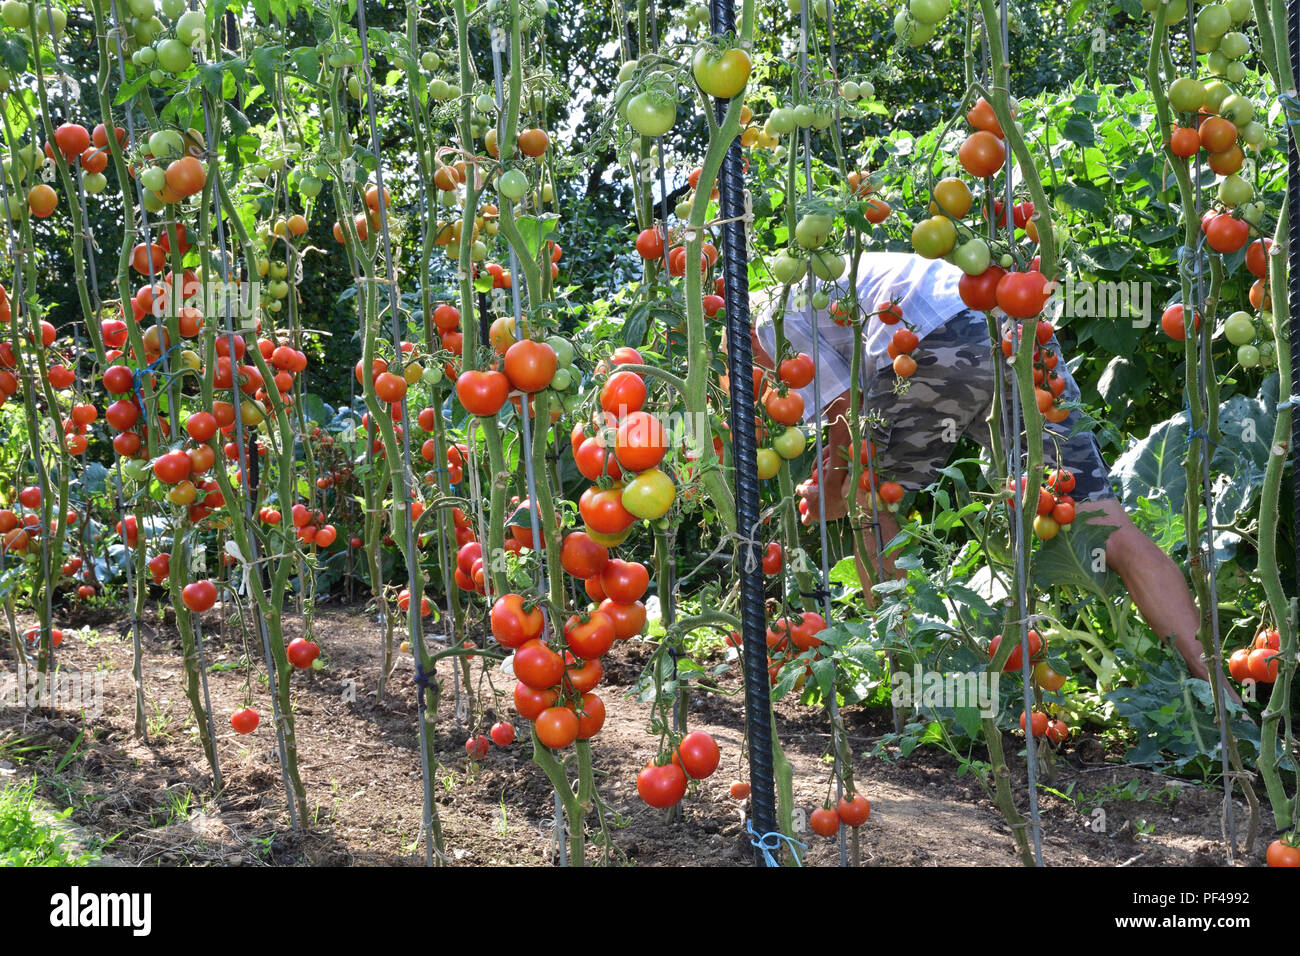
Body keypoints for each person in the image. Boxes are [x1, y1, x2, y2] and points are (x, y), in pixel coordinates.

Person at [748, 250, 1224, 690]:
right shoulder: (815, 278)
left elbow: (845, 415)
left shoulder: (759, 322)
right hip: (1010, 319)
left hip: (932, 337)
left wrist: (834, 491)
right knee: (1102, 520)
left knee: (869, 501)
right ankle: (1220, 693)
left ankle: (913, 686)